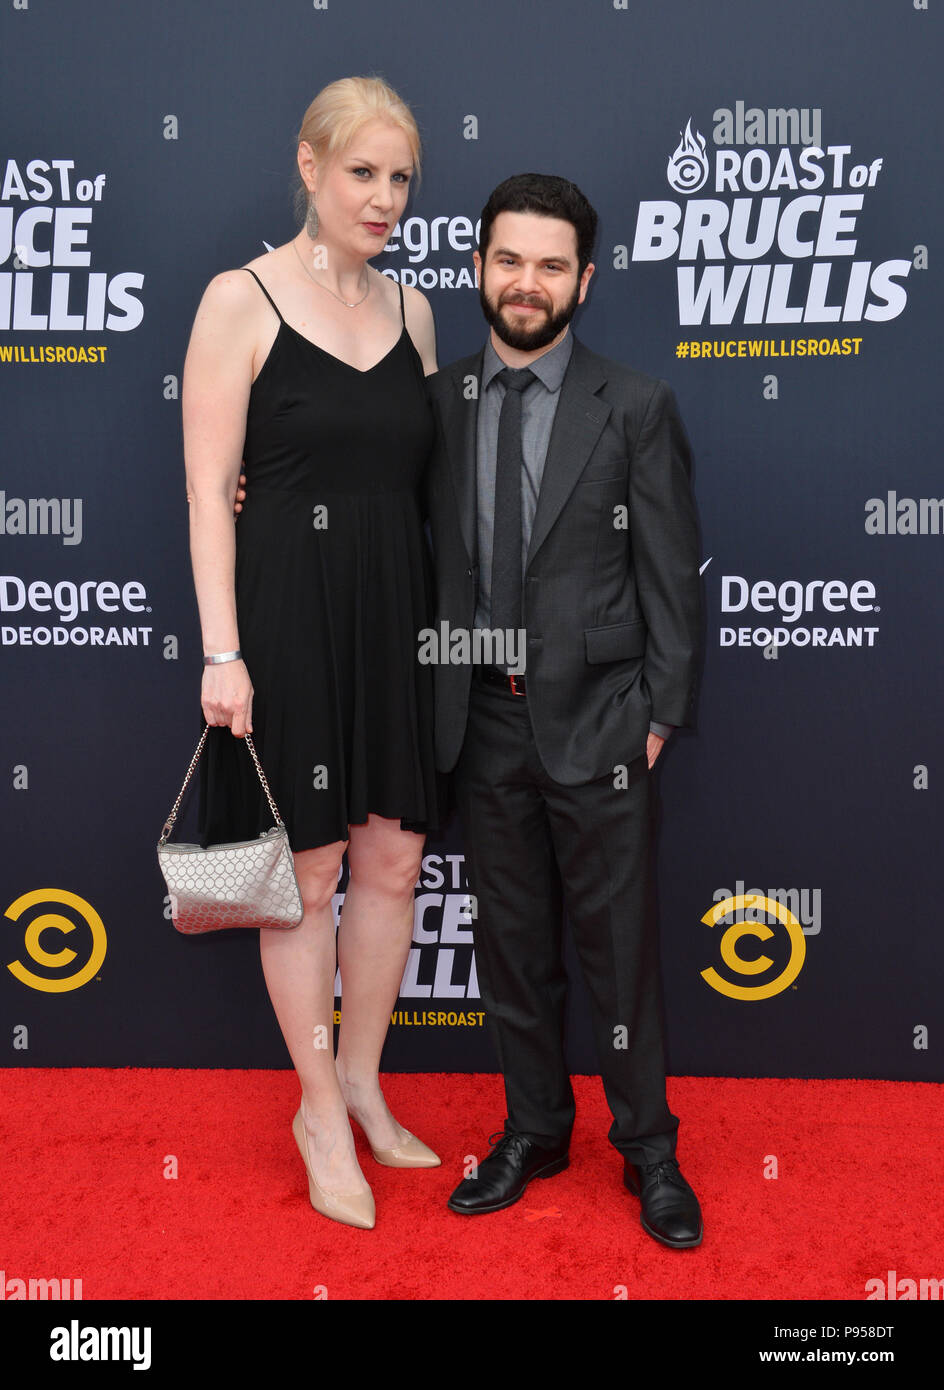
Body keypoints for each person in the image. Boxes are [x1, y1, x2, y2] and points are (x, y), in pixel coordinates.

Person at [424, 174, 704, 1248]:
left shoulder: (633, 405)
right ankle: (535, 1129)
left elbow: (671, 576)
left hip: (600, 722)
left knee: (616, 949)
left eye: (549, 264)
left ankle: (648, 1151)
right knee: (510, 946)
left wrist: (658, 715)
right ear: (478, 267)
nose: (525, 283)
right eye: (507, 260)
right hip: (476, 720)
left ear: (583, 279)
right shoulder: (435, 401)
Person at [182, 76, 442, 1232]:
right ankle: (315, 1112)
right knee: (315, 872)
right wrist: (222, 651)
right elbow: (204, 495)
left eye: (399, 180)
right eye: (362, 174)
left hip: (399, 610)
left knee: (394, 861)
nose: (382, 199)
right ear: (307, 166)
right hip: (287, 614)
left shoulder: (418, 312)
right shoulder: (237, 301)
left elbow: (430, 482)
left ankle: (362, 1083)